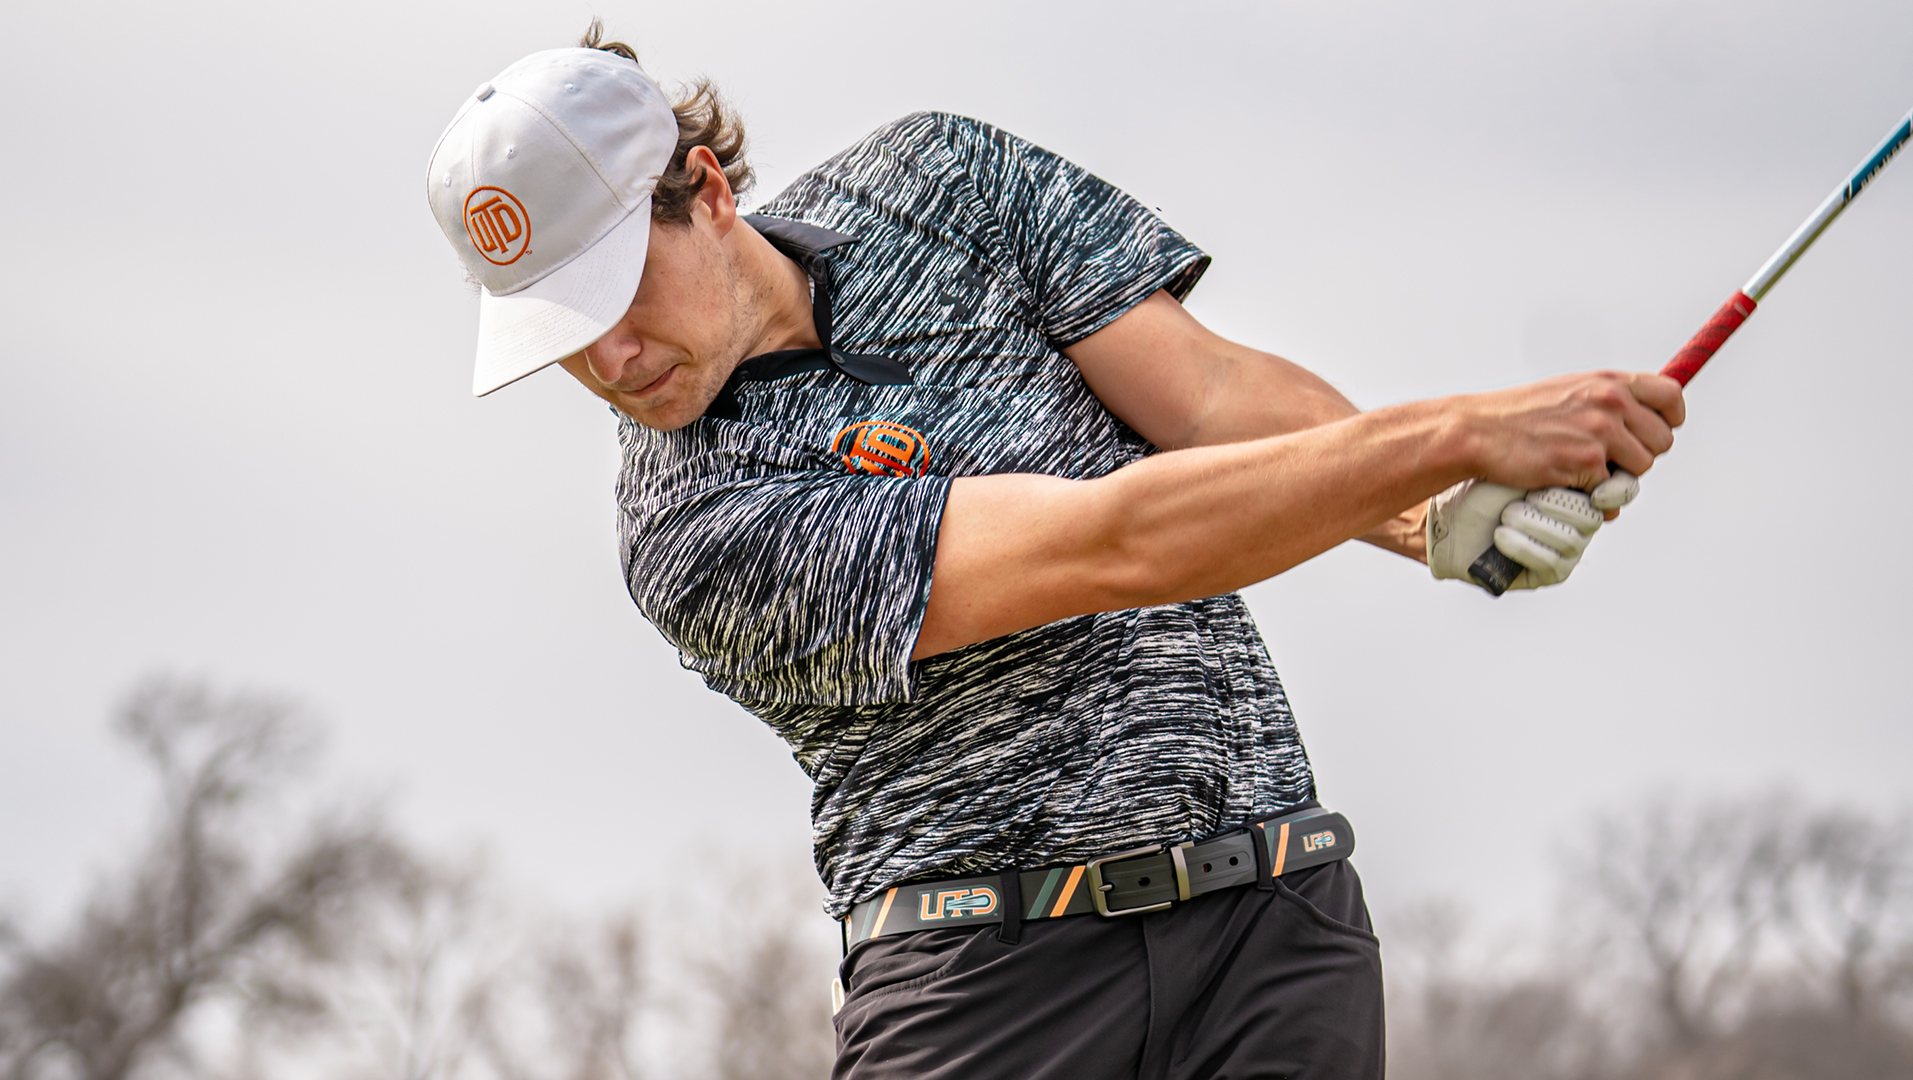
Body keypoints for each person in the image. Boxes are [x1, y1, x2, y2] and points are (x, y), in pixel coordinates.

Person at [425, 25, 1682, 1080]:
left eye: (619, 294)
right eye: (563, 333)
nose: (609, 360)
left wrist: (1435, 518)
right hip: (990, 992)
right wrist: (1453, 435)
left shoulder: (938, 182)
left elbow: (1207, 396)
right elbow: (1116, 544)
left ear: (705, 190)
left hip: (1274, 926)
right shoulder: (689, 529)